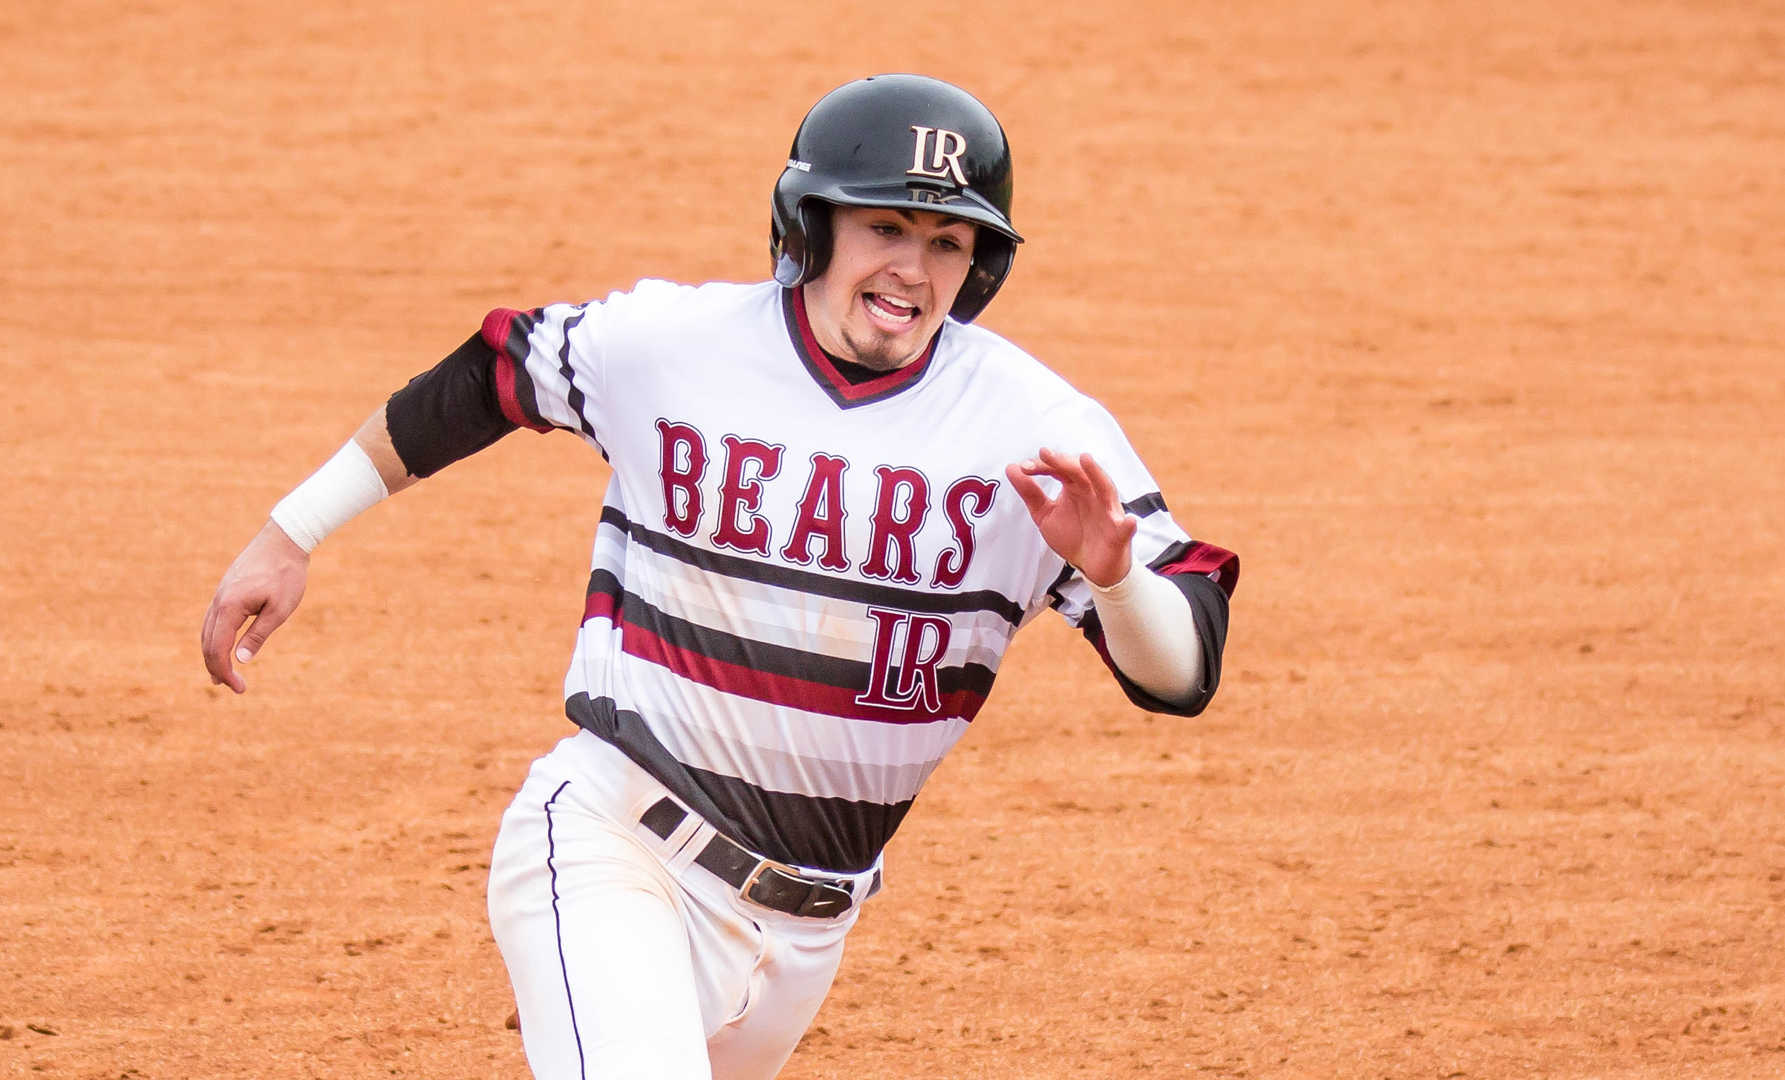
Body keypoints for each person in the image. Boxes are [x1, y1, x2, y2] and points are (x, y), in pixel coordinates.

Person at [200, 73, 1238, 1080]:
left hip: (806, 937)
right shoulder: (674, 343)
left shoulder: (1036, 430)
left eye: (948, 242)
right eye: (885, 227)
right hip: (615, 847)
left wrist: (1110, 575)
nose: (913, 269)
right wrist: (291, 531)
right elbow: (490, 376)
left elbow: (1180, 671)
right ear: (812, 226)